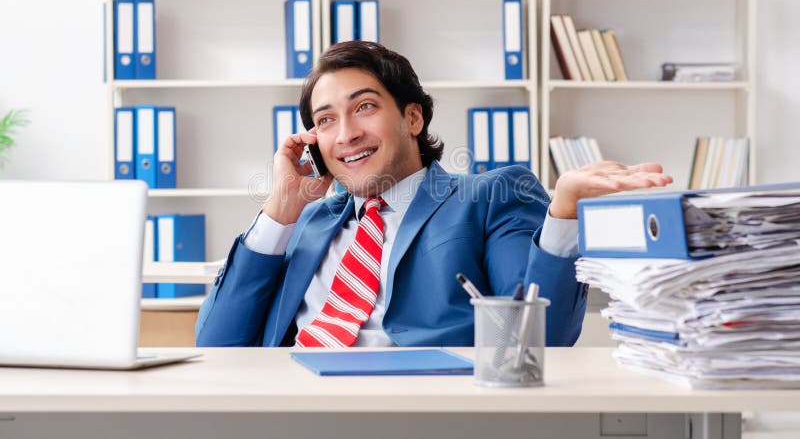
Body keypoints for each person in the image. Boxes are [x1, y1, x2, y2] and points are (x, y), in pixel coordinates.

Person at [195, 41, 672, 348]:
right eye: (325, 121)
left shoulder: (491, 195)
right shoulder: (306, 222)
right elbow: (217, 347)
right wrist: (279, 211)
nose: (345, 134)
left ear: (413, 118)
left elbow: (538, 342)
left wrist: (564, 212)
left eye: (364, 107)